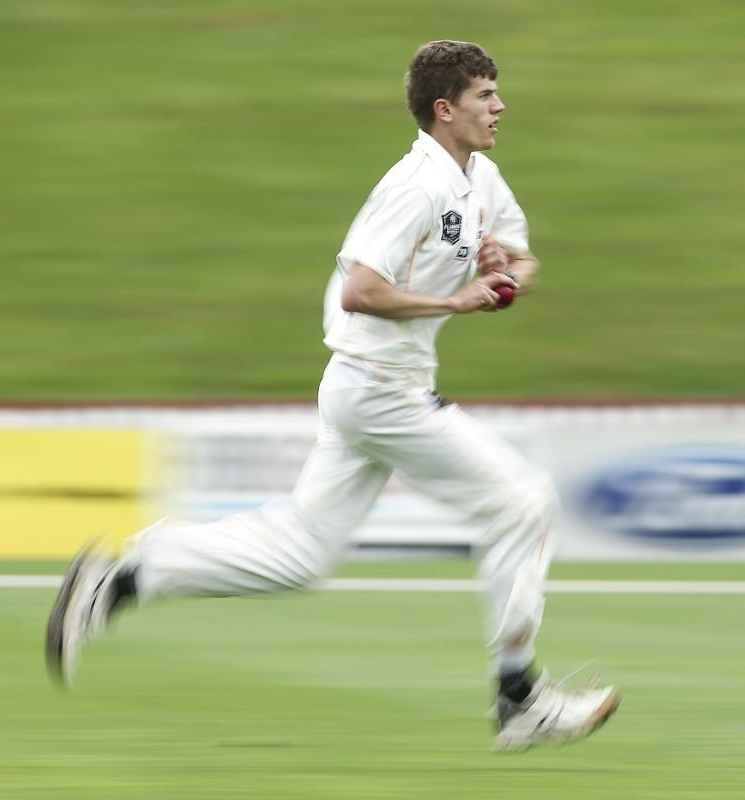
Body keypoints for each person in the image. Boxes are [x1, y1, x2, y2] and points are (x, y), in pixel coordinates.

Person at [47, 39, 619, 752]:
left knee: (301, 555)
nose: (500, 106)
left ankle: (126, 577)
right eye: (484, 97)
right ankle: (520, 697)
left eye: (496, 93)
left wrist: (505, 274)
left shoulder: (480, 177)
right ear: (445, 110)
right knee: (524, 500)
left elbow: (523, 259)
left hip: (368, 386)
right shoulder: (415, 186)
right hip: (380, 387)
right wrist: (464, 299)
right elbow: (361, 290)